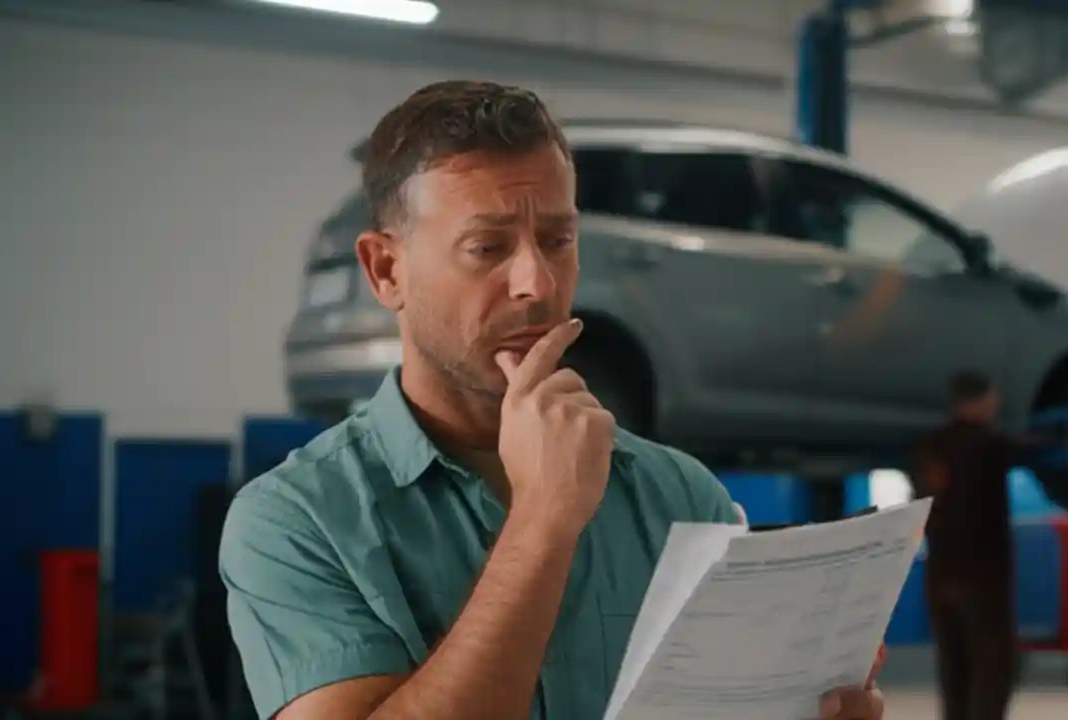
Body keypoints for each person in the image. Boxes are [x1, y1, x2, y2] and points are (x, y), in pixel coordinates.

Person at [219, 80, 886, 720]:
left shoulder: (680, 497)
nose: (536, 284)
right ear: (386, 270)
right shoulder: (296, 523)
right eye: (487, 247)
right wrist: (541, 521)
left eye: (558, 240)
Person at [911, 371, 1020, 720]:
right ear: (985, 399)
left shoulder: (928, 448)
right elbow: (1031, 448)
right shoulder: (989, 445)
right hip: (982, 581)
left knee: (953, 671)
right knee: (993, 670)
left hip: (940, 580)